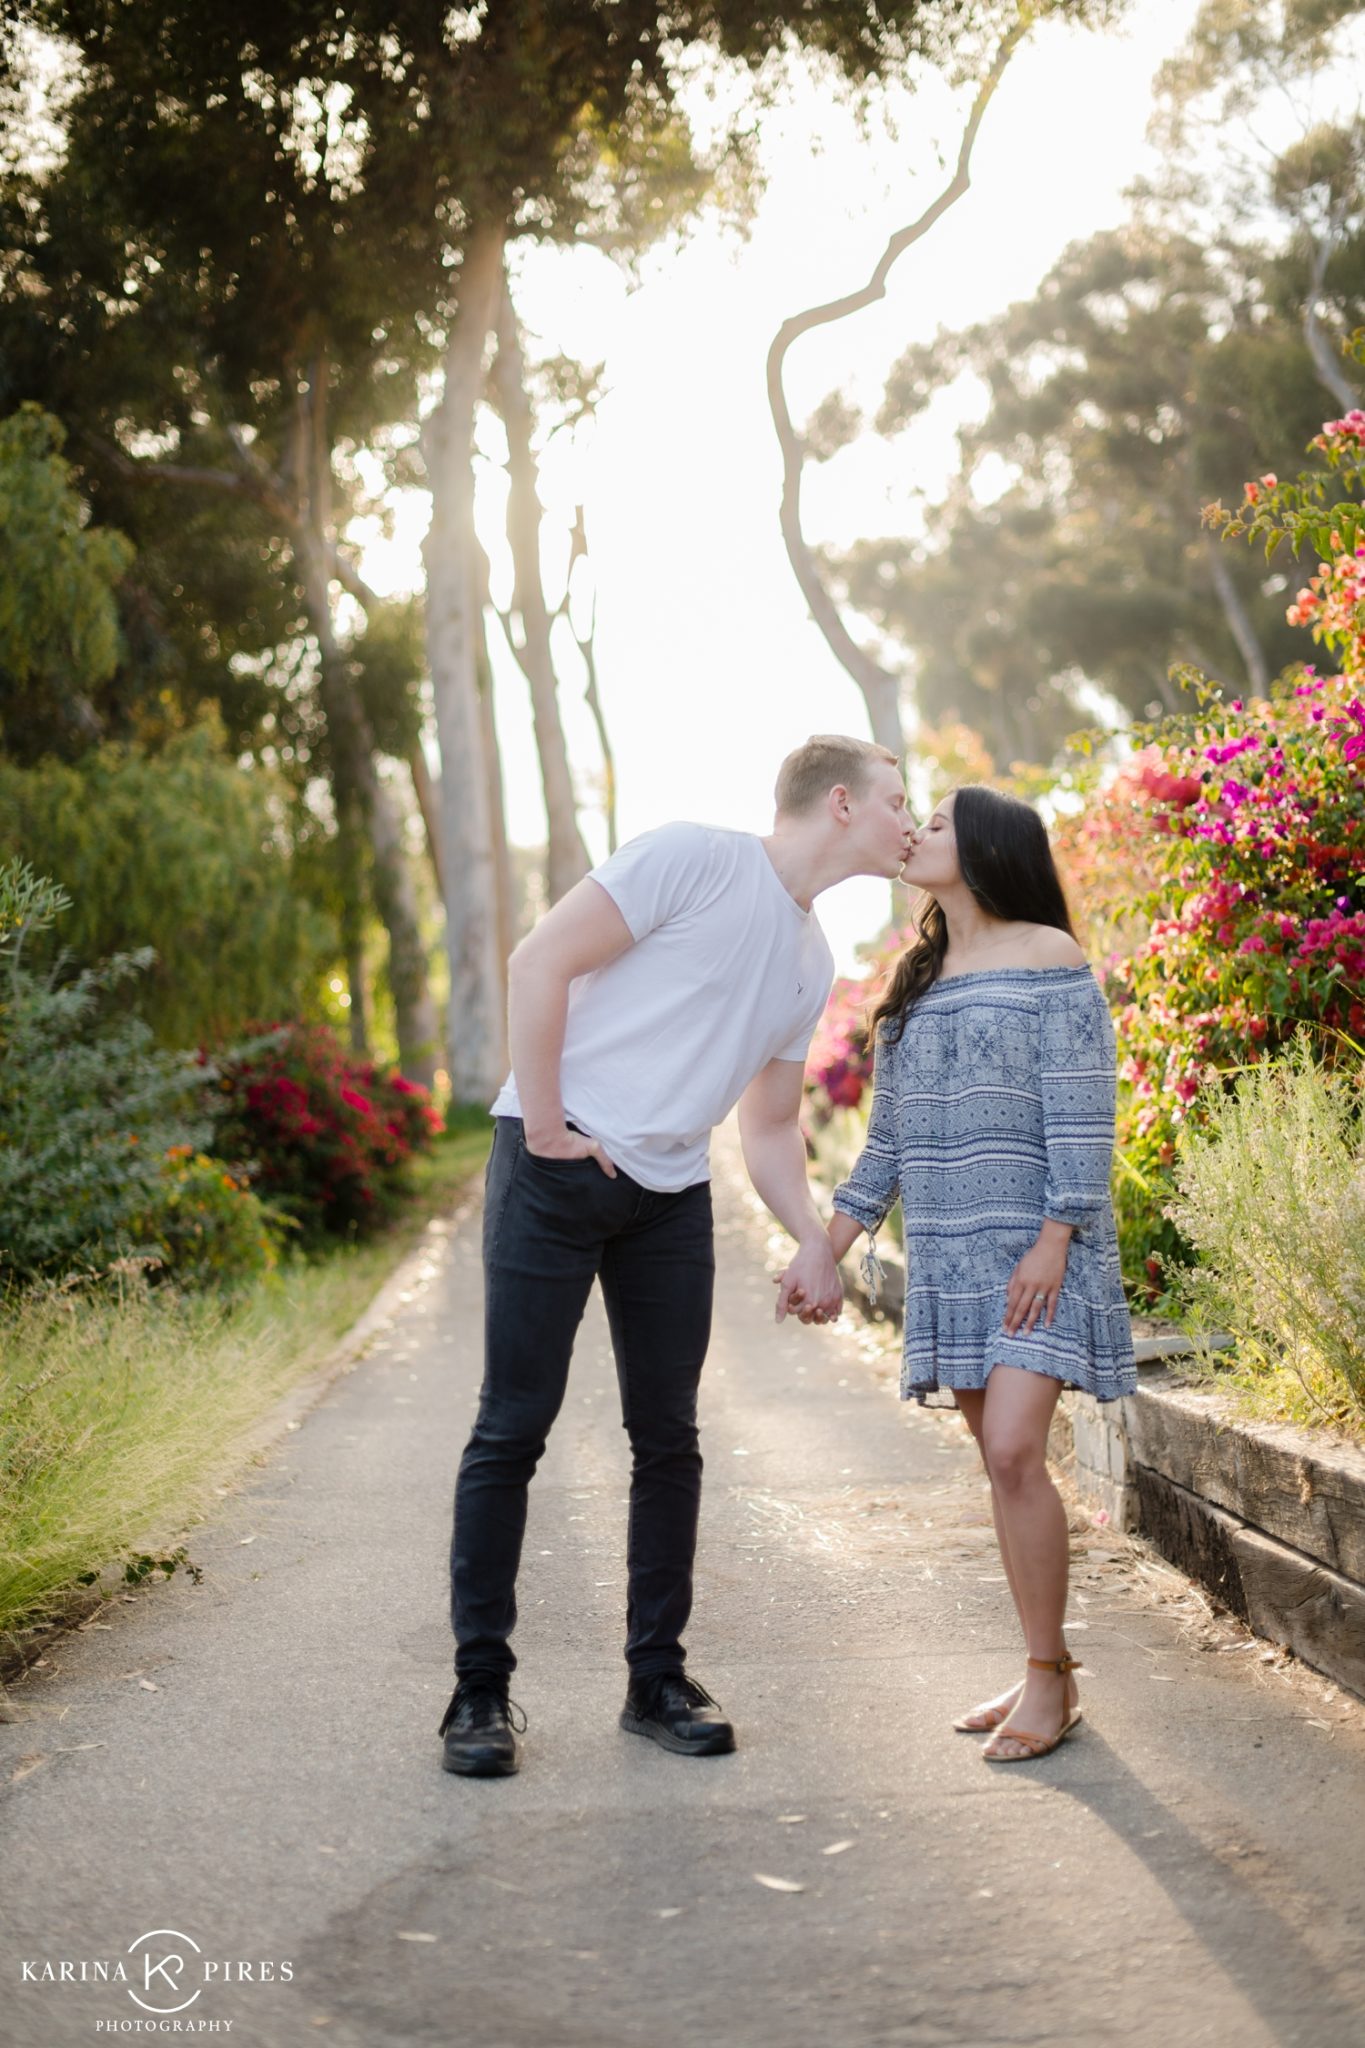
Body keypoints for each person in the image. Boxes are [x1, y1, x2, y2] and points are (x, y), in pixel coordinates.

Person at [440, 735, 914, 1777]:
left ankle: (655, 1679)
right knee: (512, 1423)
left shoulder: (808, 960)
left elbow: (771, 1122)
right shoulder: (692, 858)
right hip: (555, 1168)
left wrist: (808, 1237)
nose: (910, 818)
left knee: (669, 1439)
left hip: (668, 1199)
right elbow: (539, 959)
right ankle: (479, 1690)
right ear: (842, 802)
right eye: (897, 797)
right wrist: (552, 1125)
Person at [817, 785, 1135, 1762]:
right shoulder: (915, 985)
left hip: (1041, 1252)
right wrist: (816, 1252)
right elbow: (887, 1149)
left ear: (991, 844)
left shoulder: (1051, 955)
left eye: (940, 821)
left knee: (1010, 1449)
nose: (916, 831)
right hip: (954, 1261)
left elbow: (1084, 1110)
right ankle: (1048, 1666)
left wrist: (1056, 1235)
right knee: (1007, 1467)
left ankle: (1048, 1679)